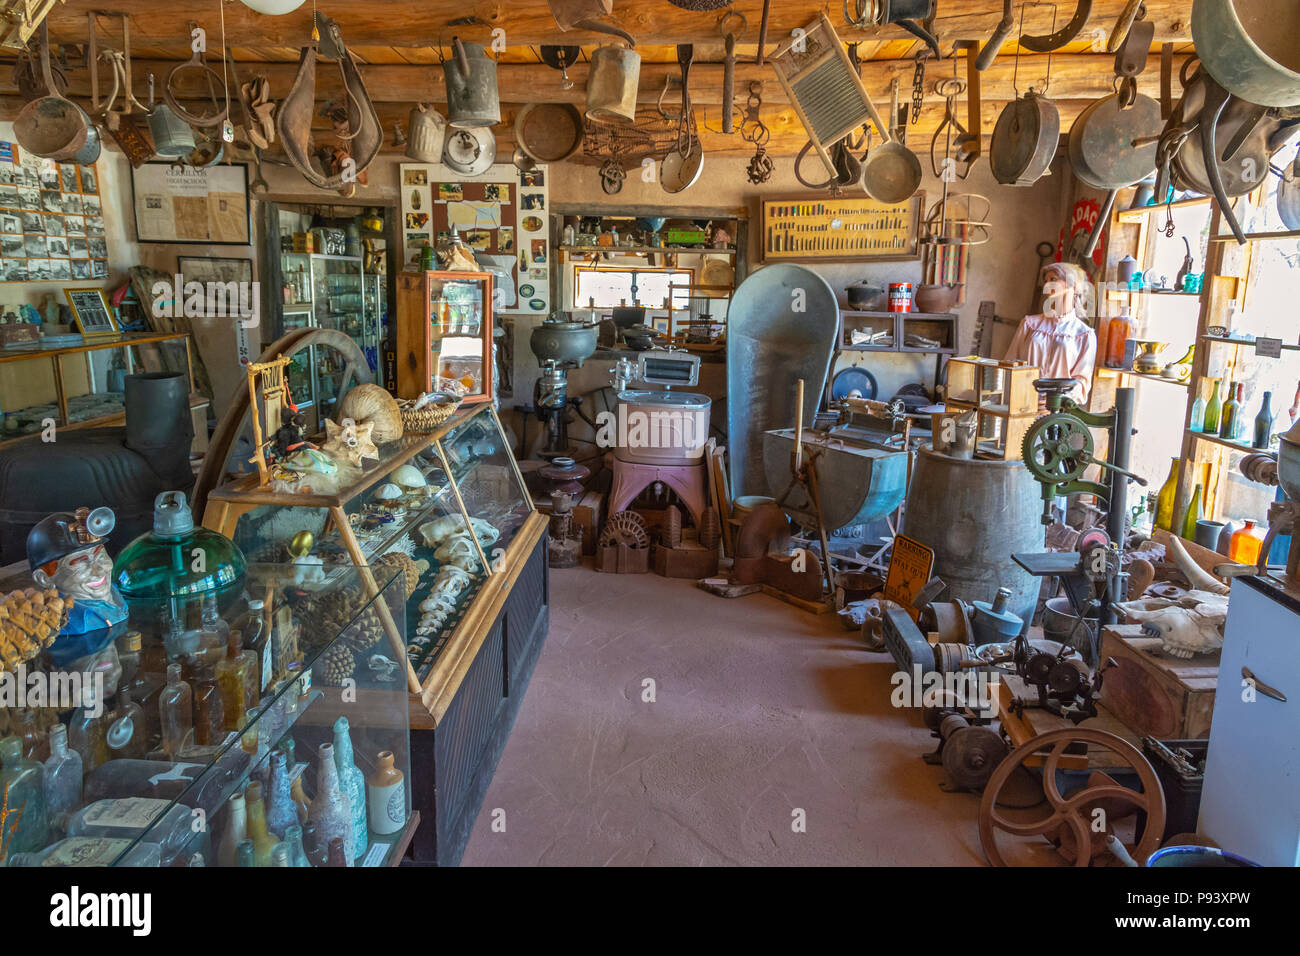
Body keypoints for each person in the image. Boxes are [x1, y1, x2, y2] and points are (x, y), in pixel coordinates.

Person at [1004, 261, 1097, 404]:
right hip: (1021, 403)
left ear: (1072, 285)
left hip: (1057, 412)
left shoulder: (1084, 335)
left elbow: (1082, 381)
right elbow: (1010, 363)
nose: (1047, 285)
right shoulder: (1030, 324)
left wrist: (1054, 401)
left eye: (1053, 279)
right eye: (1046, 281)